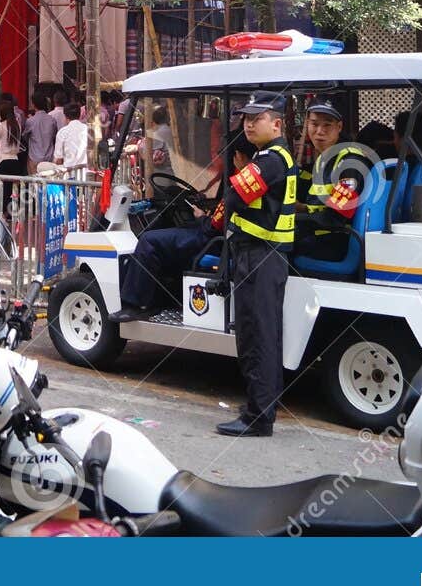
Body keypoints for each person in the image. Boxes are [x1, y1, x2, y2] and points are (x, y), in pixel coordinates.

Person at [216, 91, 298, 438]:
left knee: (257, 335)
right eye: (246, 118)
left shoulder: (270, 161)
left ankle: (258, 417)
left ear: (276, 123)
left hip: (261, 256)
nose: (248, 123)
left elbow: (235, 196)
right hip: (262, 255)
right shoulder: (267, 157)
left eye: (257, 118)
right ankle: (262, 407)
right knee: (263, 333)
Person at [116, 136, 250, 321]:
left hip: (214, 239)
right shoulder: (251, 180)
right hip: (227, 238)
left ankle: (135, 304)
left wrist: (201, 217)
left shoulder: (240, 183)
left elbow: (212, 226)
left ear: (238, 156)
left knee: (149, 240)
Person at [295, 96, 367, 264]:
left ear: (339, 127)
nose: (319, 131)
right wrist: (303, 208)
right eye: (314, 124)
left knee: (267, 247)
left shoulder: (349, 162)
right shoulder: (325, 158)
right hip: (320, 235)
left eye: (327, 124)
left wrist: (293, 218)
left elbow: (335, 218)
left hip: (336, 241)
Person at [52, 102, 89, 178]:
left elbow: (58, 159)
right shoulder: (88, 130)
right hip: (86, 174)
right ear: (79, 115)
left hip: (69, 175)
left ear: (65, 116)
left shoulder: (63, 132)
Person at [0, 99, 24, 177]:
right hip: (15, 161)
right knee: (12, 188)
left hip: (2, 160)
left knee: (2, 188)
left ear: (2, 113)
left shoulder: (0, 126)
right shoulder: (17, 125)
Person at [24, 93, 58, 169]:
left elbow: (25, 137)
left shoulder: (30, 121)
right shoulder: (52, 120)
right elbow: (54, 136)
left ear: (33, 104)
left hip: (34, 157)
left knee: (34, 180)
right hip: (49, 157)